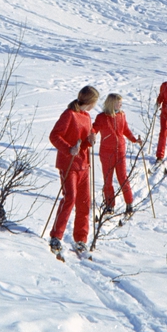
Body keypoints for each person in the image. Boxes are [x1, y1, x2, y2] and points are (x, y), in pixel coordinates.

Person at [48, 86, 99, 255]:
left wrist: (91, 139)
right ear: (90, 101)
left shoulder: (87, 116)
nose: (95, 105)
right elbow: (54, 136)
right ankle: (56, 236)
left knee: (84, 202)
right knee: (70, 198)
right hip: (69, 164)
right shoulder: (69, 114)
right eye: (94, 102)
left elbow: (86, 140)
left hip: (84, 164)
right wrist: (68, 149)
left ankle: (81, 239)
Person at [93, 93, 139, 214]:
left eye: (121, 103)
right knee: (108, 180)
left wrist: (134, 139)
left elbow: (125, 130)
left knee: (123, 178)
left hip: (120, 151)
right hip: (106, 153)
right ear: (111, 103)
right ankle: (109, 205)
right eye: (118, 103)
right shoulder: (102, 117)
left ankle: (129, 203)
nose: (120, 105)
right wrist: (91, 134)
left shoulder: (121, 115)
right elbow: (94, 128)